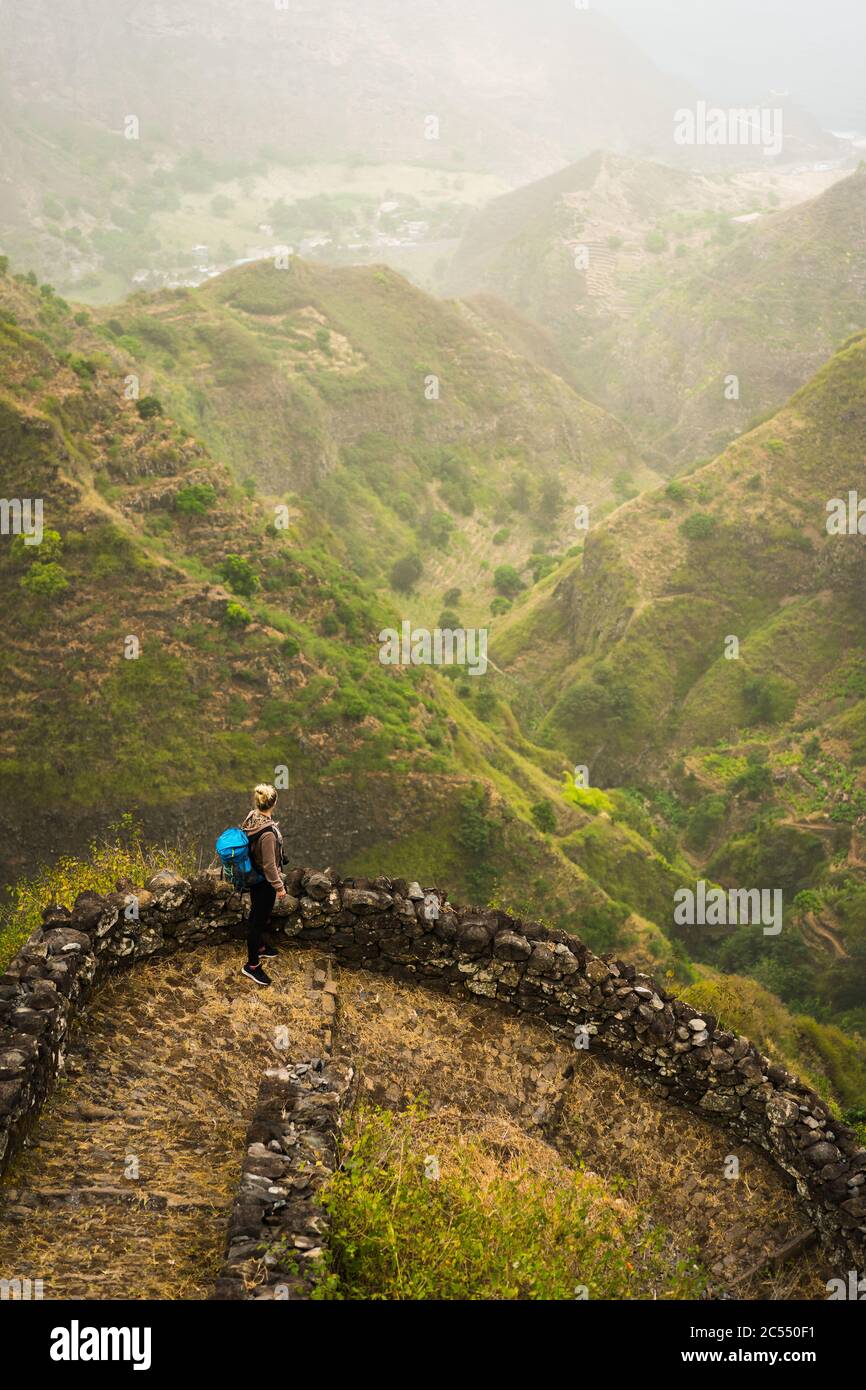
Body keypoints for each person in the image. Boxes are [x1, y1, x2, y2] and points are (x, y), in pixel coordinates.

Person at [240, 783, 287, 986]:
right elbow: (269, 866)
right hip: (264, 881)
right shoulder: (267, 833)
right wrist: (279, 887)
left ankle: (260, 947)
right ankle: (251, 966)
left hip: (254, 877)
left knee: (258, 916)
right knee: (257, 922)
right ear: (273, 803)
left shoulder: (252, 817)